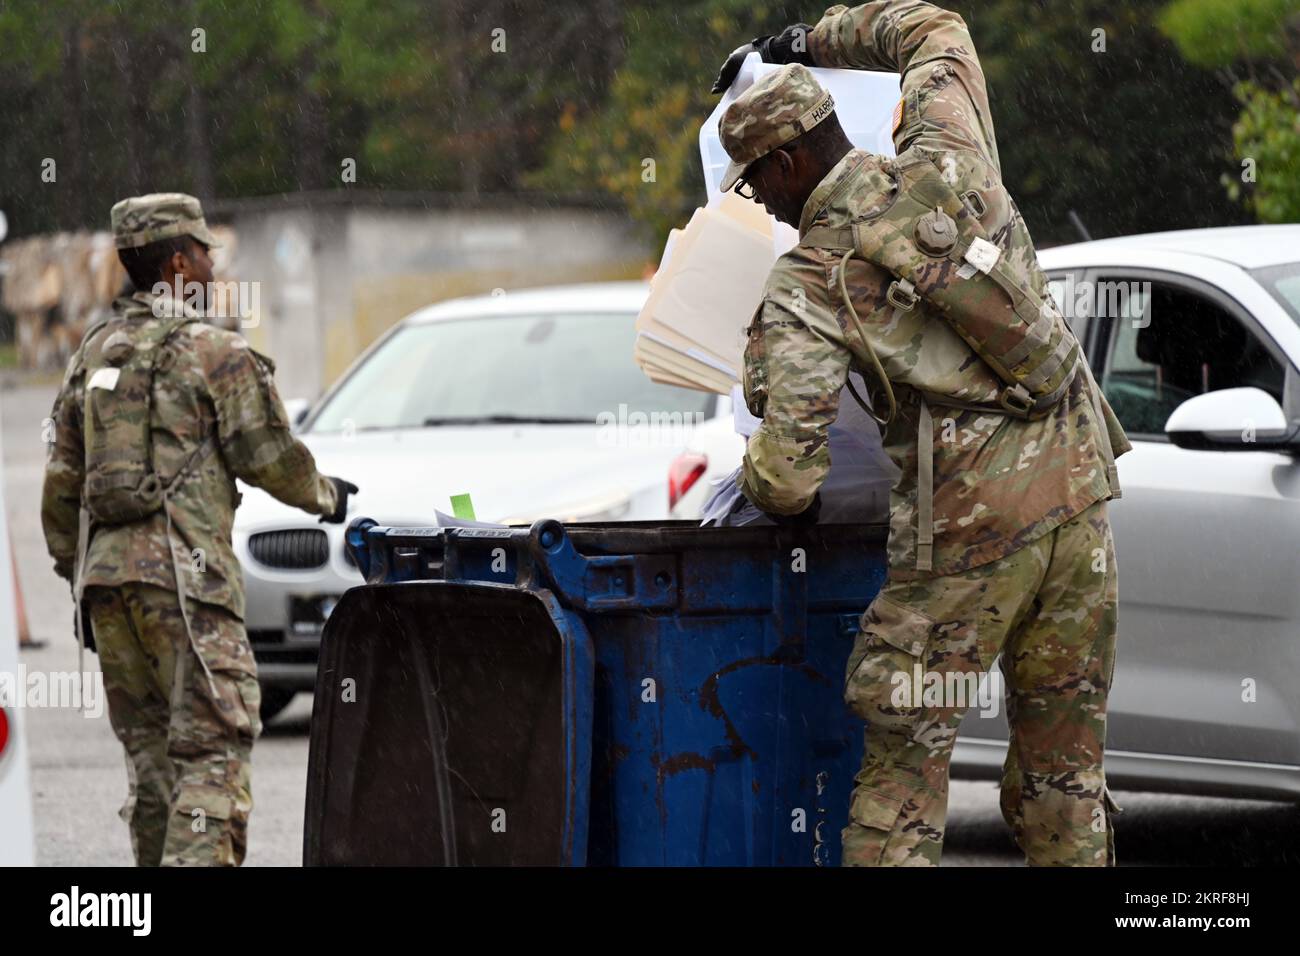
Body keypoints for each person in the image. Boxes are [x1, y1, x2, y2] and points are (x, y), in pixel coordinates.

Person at [712, 2, 1131, 865]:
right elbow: (932, 27)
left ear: (789, 161)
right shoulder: (950, 150)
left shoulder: (810, 277)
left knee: (903, 779)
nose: (764, 205)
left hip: (966, 549)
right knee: (1065, 781)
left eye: (757, 184)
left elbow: (789, 477)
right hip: (1080, 509)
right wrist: (805, 42)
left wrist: (747, 483)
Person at [41, 192, 357, 866]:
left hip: (108, 593)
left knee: (153, 764)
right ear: (179, 261)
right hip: (187, 593)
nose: (214, 265)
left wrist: (80, 576)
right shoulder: (213, 350)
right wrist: (327, 498)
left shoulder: (92, 355)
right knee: (212, 755)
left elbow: (61, 487)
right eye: (206, 250)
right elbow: (268, 455)